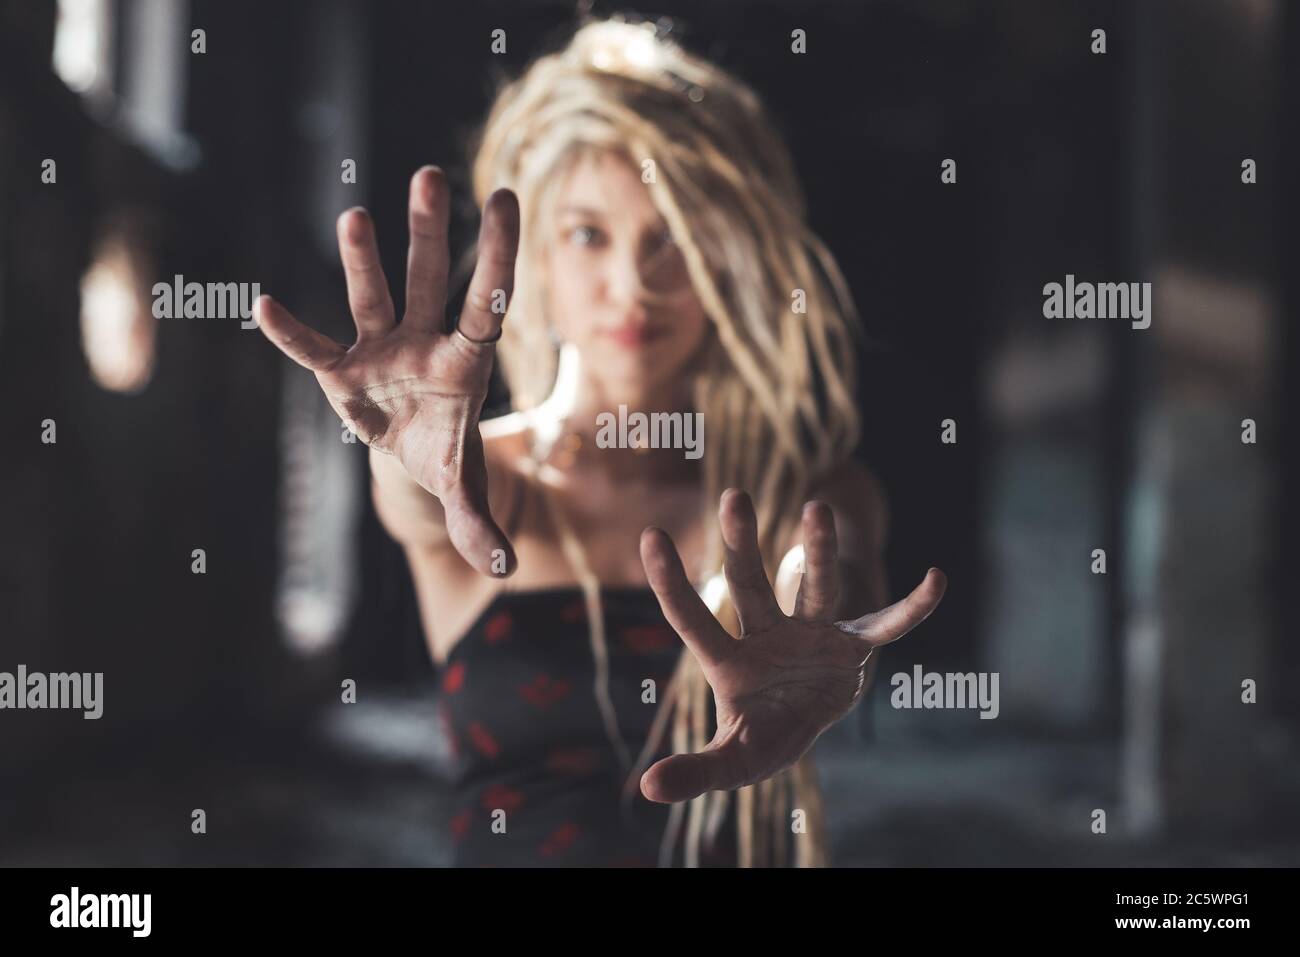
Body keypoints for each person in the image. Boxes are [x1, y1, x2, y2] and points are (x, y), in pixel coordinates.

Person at [255, 17, 945, 867]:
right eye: (590, 234)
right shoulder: (491, 484)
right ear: (536, 251)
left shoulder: (805, 491)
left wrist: (816, 635)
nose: (633, 286)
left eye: (674, 240)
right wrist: (403, 456)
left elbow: (828, 580)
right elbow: (424, 496)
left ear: (726, 257)